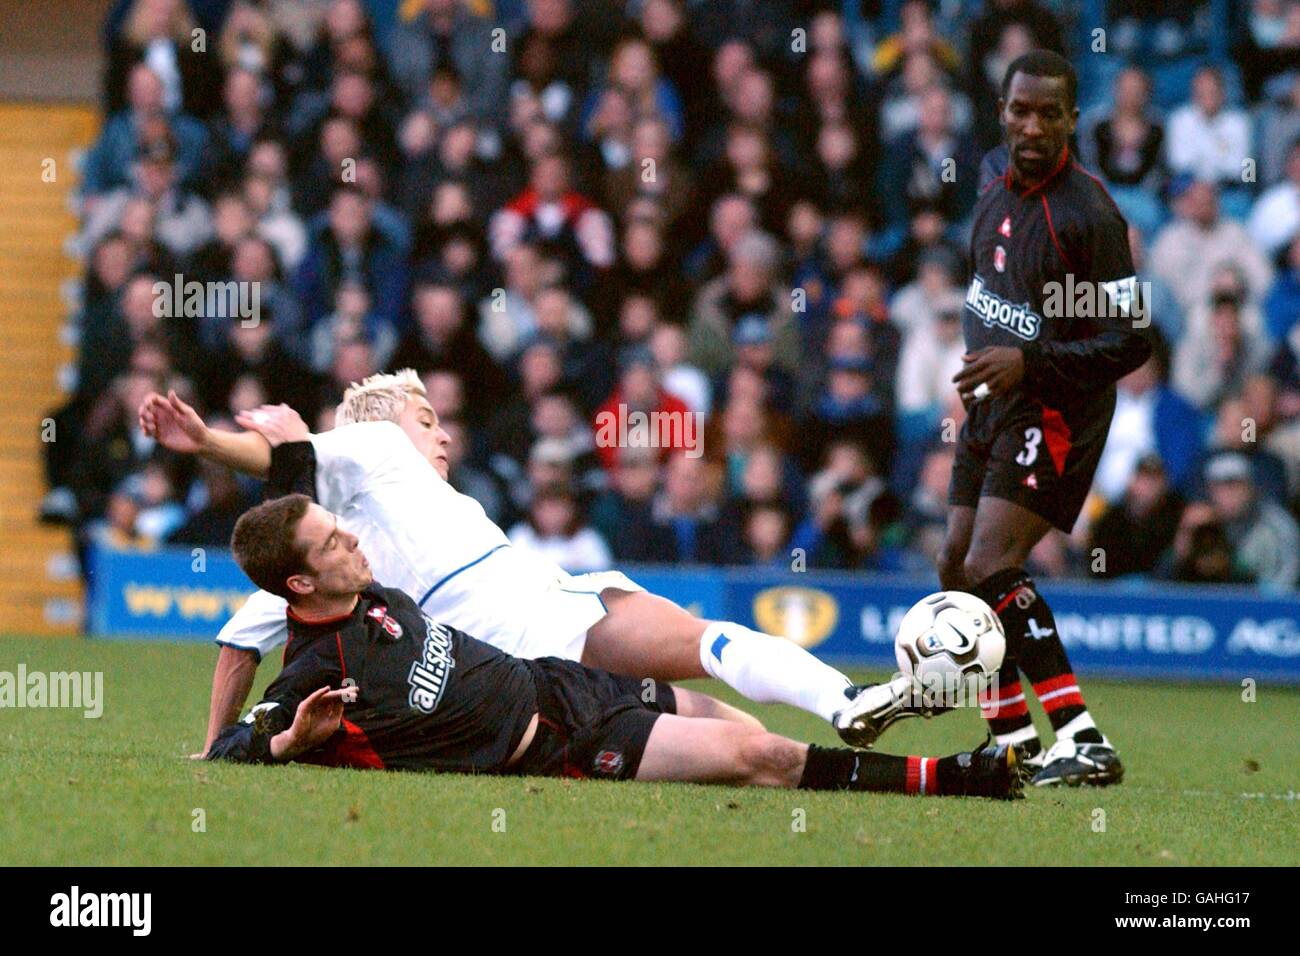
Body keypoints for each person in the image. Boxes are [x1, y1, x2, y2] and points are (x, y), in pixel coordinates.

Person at [139, 372, 893, 757]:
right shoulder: (367, 460)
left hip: (555, 603)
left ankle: (841, 716)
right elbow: (276, 458)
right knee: (707, 669)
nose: (441, 438)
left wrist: (217, 745)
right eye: (426, 420)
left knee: (721, 699)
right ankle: (838, 716)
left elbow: (241, 639)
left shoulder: (342, 552)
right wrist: (205, 442)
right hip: (530, 650)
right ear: (381, 428)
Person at [208, 494, 1021, 800]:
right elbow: (232, 752)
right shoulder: (316, 669)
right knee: (759, 760)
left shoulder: (376, 589)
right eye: (331, 542)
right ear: (302, 587)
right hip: (563, 744)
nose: (352, 538)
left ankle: (905, 752)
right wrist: (282, 741)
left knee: (740, 728)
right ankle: (956, 780)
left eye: (340, 524)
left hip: (568, 682)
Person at [863, 51, 1152, 788]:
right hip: (991, 404)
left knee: (993, 562)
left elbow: (1131, 339)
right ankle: (1015, 742)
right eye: (1020, 110)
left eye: (1048, 113)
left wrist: (1028, 362)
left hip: (1056, 411)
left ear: (1072, 120)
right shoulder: (992, 175)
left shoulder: (1089, 215)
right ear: (1001, 109)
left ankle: (1084, 738)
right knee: (955, 567)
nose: (1032, 125)